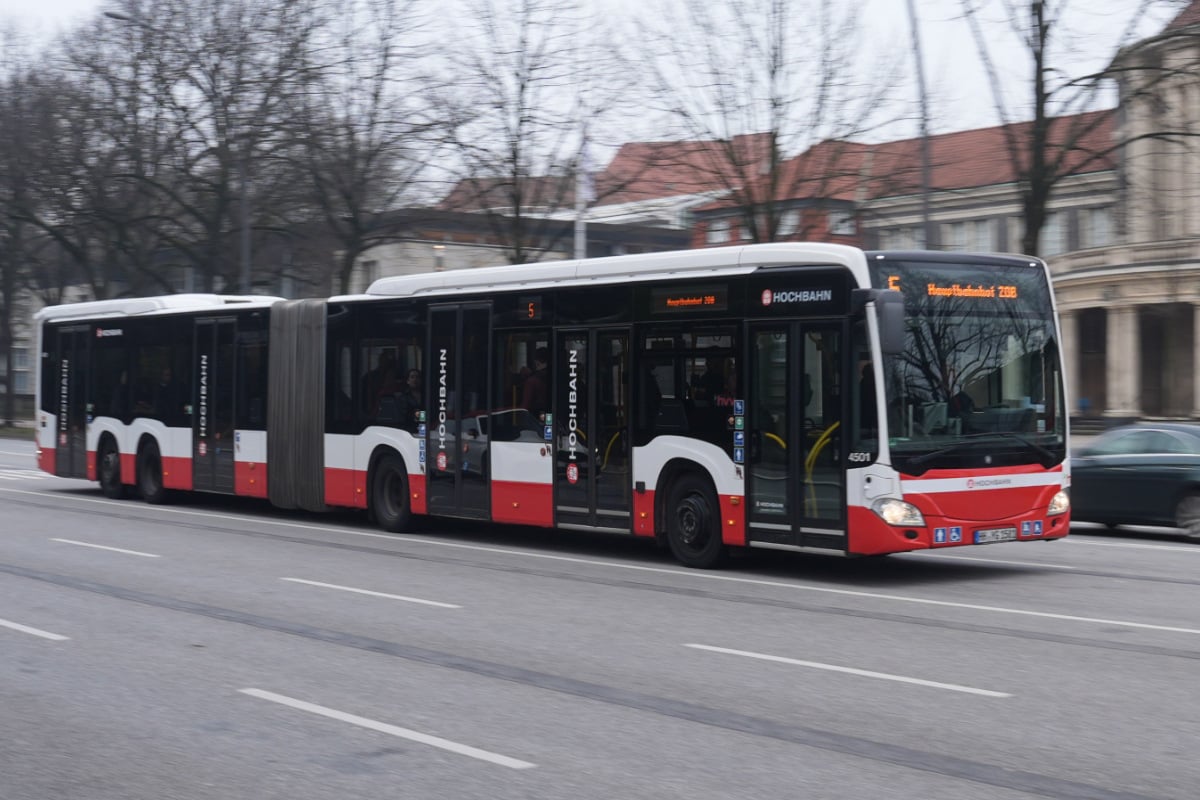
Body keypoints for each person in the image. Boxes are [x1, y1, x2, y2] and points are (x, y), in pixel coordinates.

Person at [522, 347, 550, 419]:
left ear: (537, 362)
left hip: (535, 418)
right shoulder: (554, 377)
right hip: (548, 415)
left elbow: (525, 406)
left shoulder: (532, 381)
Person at [395, 368, 423, 432]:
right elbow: (403, 417)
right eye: (412, 377)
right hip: (409, 429)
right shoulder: (403, 397)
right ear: (408, 381)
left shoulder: (426, 396)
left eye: (417, 377)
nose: (415, 379)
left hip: (424, 427)